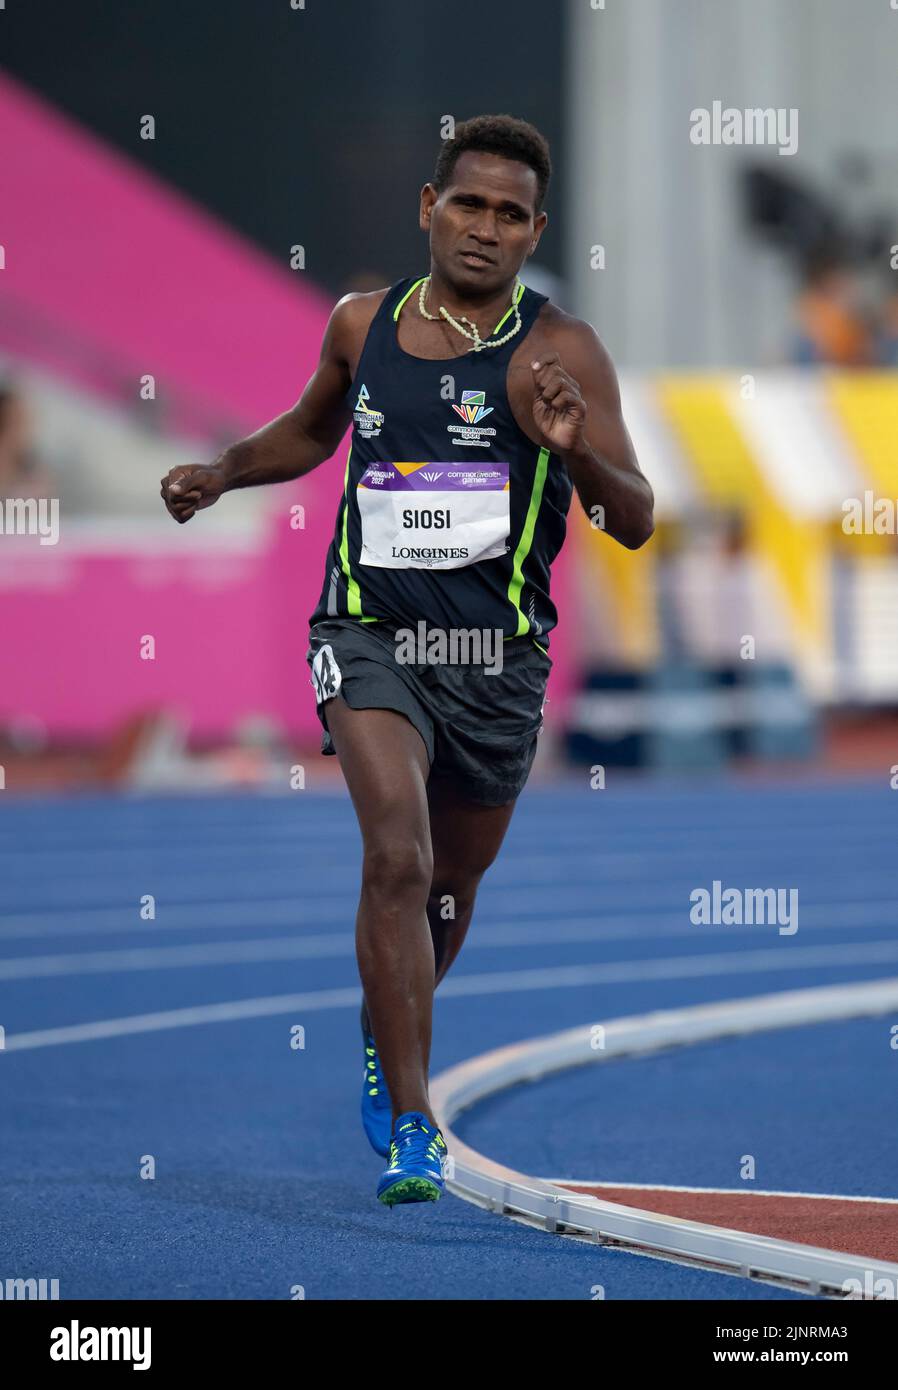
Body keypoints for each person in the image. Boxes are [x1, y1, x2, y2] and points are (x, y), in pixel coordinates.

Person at [161, 114, 654, 1206]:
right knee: (394, 854)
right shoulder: (361, 322)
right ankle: (415, 1123)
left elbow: (637, 518)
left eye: (510, 215)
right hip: (368, 632)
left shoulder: (557, 350)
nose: (485, 229)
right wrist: (223, 469)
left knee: (448, 884)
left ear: (535, 232)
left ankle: (390, 1029)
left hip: (494, 657)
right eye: (467, 204)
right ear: (428, 208)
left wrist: (578, 460)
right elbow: (310, 430)